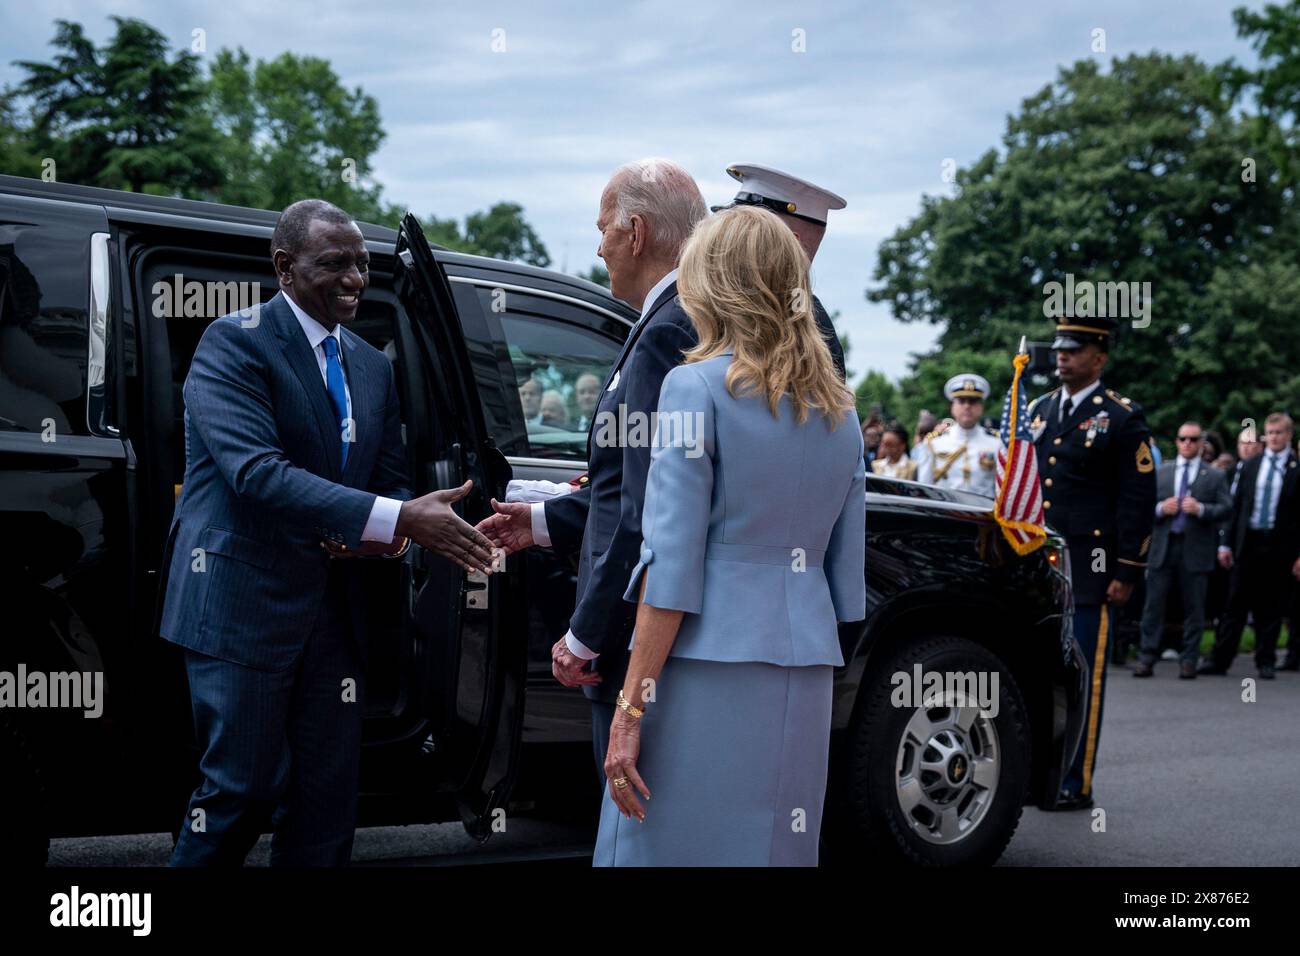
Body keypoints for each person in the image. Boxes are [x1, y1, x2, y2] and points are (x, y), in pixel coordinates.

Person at [160, 199, 496, 866]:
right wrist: (398, 518)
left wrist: (391, 528)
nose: (353, 279)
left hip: (335, 617)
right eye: (333, 264)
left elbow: (389, 481)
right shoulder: (234, 342)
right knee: (239, 793)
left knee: (326, 805)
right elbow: (257, 473)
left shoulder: (373, 365)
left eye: (361, 265)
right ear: (284, 267)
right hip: (241, 605)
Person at [593, 205, 866, 866]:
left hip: (699, 668)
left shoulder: (692, 388)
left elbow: (672, 566)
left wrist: (628, 711)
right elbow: (848, 582)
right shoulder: (841, 411)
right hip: (802, 670)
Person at [474, 158, 709, 779]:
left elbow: (647, 511)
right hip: (655, 638)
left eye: (603, 229)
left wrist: (586, 634)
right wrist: (544, 520)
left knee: (634, 827)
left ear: (635, 232)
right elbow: (624, 488)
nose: (599, 247)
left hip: (632, 642)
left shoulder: (666, 332)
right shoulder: (678, 319)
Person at [1027, 315, 1155, 810]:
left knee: (1081, 675)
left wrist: (1126, 570)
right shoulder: (1037, 410)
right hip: (1042, 565)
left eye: (1074, 349)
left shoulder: (1122, 418)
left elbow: (1137, 500)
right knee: (1039, 673)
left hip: (1091, 567)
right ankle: (1039, 774)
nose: (1062, 356)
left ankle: (1073, 780)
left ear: (1098, 357)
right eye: (1059, 348)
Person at [710, 163, 847, 381]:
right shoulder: (806, 317)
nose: (729, 238)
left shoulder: (808, 320)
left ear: (790, 243)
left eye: (748, 231)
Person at [1199, 412, 1300, 678]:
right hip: (1248, 542)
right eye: (1271, 432)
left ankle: (1265, 660)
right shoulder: (1252, 465)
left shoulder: (1295, 468)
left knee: (1271, 606)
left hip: (1279, 546)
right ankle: (1220, 659)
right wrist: (1225, 545)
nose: (1274, 438)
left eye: (1280, 433)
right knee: (1235, 603)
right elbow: (1237, 508)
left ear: (1289, 435)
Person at [1134, 422, 1232, 678]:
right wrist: (1160, 508)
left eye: (1193, 439)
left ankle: (1189, 660)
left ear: (1201, 443)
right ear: (1177, 442)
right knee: (1153, 606)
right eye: (1182, 438)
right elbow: (1143, 507)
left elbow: (1226, 509)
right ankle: (1146, 657)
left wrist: (1201, 509)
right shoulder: (1161, 472)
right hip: (1163, 546)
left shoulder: (1214, 475)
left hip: (1196, 548)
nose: (1187, 443)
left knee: (1195, 608)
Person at [916, 374, 1001, 497]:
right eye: (961, 401)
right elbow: (924, 488)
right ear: (952, 407)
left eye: (973, 401)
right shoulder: (934, 443)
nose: (967, 406)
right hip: (945, 512)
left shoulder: (996, 443)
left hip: (984, 512)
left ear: (981, 407)